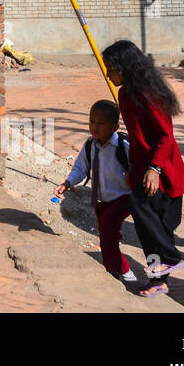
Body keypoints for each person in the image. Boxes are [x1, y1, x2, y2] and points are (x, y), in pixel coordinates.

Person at [102, 39, 184, 297]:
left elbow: (166, 136)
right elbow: (135, 136)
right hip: (143, 171)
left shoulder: (148, 95)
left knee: (158, 225)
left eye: (111, 68)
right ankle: (158, 279)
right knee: (146, 228)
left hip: (164, 173)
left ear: (125, 67)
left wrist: (154, 169)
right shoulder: (125, 95)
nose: (109, 73)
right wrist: (133, 167)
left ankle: (168, 264)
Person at [55, 100, 138, 282]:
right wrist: (67, 183)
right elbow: (80, 168)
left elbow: (139, 164)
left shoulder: (124, 146)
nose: (94, 127)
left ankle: (115, 271)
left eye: (101, 123)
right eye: (92, 121)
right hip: (104, 200)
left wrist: (133, 175)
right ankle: (121, 267)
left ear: (114, 126)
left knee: (108, 227)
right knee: (107, 235)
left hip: (125, 197)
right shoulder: (90, 145)